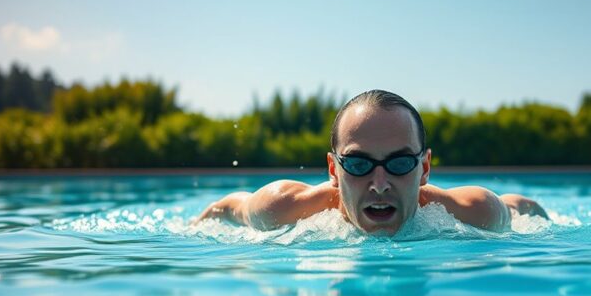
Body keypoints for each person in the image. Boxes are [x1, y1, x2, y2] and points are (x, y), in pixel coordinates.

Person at [194, 90, 547, 235]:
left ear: (425, 169)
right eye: (359, 164)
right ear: (333, 170)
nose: (379, 184)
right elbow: (227, 208)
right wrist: (191, 228)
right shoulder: (281, 207)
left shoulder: (478, 212)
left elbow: (524, 208)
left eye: (400, 163)